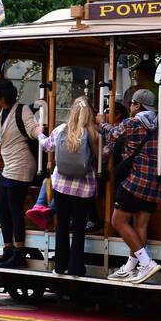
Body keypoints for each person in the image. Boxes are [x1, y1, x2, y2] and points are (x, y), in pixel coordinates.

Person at [100, 89, 161, 284]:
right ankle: (131, 267)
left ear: (138, 105)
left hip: (135, 182)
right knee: (140, 224)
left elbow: (112, 134)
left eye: (132, 104)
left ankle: (146, 263)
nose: (130, 107)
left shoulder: (133, 122)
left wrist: (100, 122)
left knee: (117, 221)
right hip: (156, 183)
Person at [40, 97, 100, 277]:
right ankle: (76, 267)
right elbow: (102, 157)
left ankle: (60, 266)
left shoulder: (60, 130)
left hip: (61, 185)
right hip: (84, 188)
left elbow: (46, 146)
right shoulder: (93, 133)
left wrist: (39, 133)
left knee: (62, 225)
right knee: (79, 228)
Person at [0, 78, 43, 267]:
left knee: (14, 209)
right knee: (3, 208)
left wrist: (41, 133)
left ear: (2, 97)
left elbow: (31, 128)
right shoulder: (3, 111)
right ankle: (8, 249)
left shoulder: (23, 110)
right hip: (9, 167)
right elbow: (4, 133)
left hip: (21, 166)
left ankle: (19, 252)